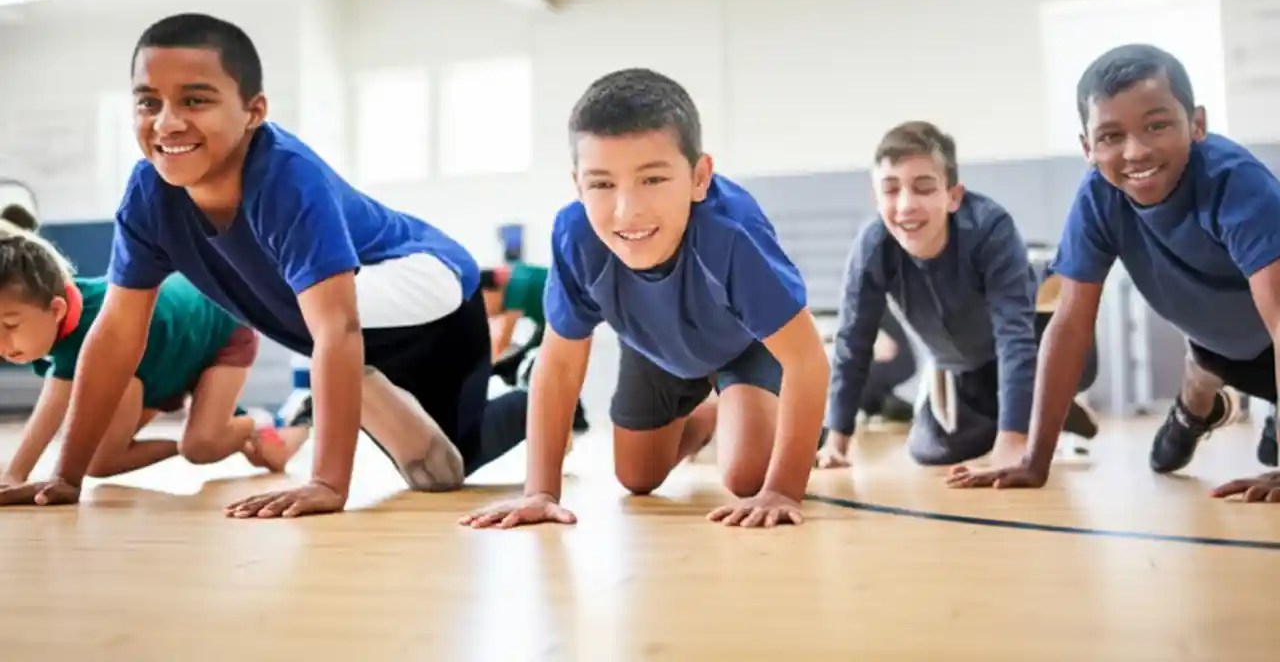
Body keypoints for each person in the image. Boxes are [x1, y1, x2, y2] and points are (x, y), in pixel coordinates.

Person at [0, 12, 528, 517]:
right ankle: (515, 399)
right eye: (147, 102)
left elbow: (338, 326)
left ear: (253, 111)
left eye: (195, 99)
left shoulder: (286, 180)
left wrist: (326, 482)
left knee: (324, 312)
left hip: (427, 287)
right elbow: (116, 332)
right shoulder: (148, 196)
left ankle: (537, 395)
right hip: (343, 333)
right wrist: (66, 477)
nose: (167, 122)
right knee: (440, 471)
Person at [460, 68, 829, 529]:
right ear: (578, 185)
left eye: (652, 180)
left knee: (748, 476)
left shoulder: (732, 235)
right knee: (637, 477)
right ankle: (711, 413)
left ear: (699, 177)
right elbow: (559, 366)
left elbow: (807, 362)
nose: (626, 210)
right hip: (655, 345)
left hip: (743, 345)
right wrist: (540, 490)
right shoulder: (576, 236)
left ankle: (774, 417)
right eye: (601, 184)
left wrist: (782, 490)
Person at [947, 43, 1280, 502]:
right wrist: (1034, 458)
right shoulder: (1098, 199)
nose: (1136, 151)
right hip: (1213, 350)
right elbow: (1068, 325)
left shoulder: (1237, 183)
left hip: (1270, 342)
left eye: (1157, 125)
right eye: (1110, 136)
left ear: (1197, 123)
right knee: (1194, 391)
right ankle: (1195, 410)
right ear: (1087, 147)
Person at [816, 121, 1097, 470]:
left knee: (1066, 360)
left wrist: (1012, 444)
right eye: (891, 190)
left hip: (1035, 337)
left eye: (924, 188)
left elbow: (1014, 339)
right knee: (929, 451)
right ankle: (1049, 413)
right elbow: (853, 344)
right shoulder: (872, 247)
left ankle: (1046, 402)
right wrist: (837, 441)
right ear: (876, 198)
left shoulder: (990, 228)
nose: (905, 205)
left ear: (953, 196)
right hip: (966, 367)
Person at [0, 214, 306, 485]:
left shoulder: (88, 327)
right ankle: (219, 431)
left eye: (10, 326)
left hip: (221, 325)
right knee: (97, 462)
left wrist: (14, 475)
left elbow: (50, 411)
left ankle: (267, 420)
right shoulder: (44, 316)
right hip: (160, 357)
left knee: (202, 447)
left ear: (57, 309)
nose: (2, 345)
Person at [481, 263, 590, 433]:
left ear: (490, 291)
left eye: (483, 300)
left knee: (543, 365)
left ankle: (574, 417)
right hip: (552, 319)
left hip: (564, 318)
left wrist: (478, 373)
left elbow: (502, 341)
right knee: (518, 361)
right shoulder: (513, 278)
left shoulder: (516, 287)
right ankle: (573, 416)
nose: (484, 308)